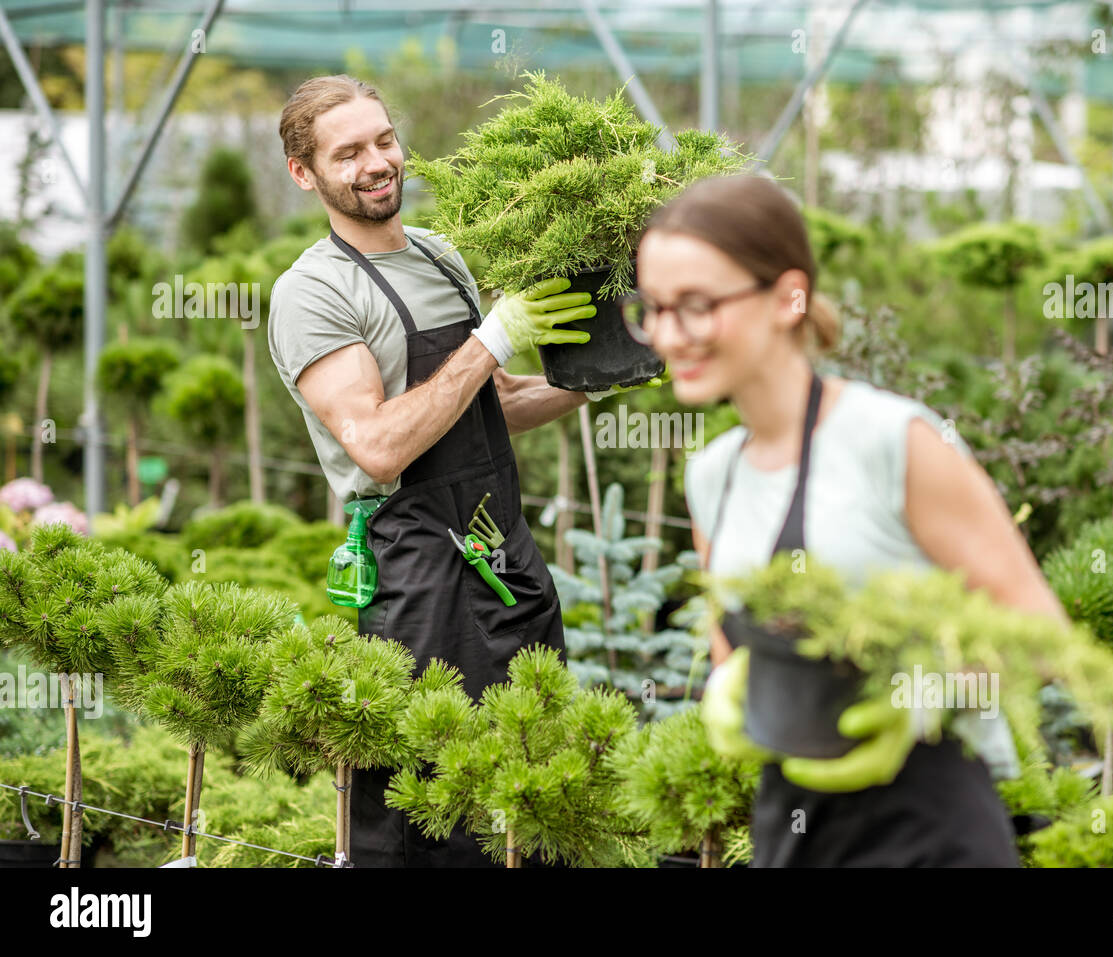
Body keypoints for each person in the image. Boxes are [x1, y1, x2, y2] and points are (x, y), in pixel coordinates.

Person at [630, 173, 1072, 867]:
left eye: (695, 305)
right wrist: (727, 691)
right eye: (652, 308)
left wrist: (917, 697)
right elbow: (735, 655)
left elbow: (1044, 638)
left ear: (787, 296)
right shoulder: (714, 474)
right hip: (793, 827)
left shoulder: (893, 442)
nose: (666, 334)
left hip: (933, 829)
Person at [267, 75, 614, 867]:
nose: (377, 162)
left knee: (531, 789)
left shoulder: (443, 257)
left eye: (383, 140)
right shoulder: (312, 292)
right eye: (347, 153)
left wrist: (604, 375)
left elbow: (495, 404)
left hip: (505, 552)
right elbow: (380, 444)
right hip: (416, 572)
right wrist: (494, 336)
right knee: (427, 806)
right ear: (303, 172)